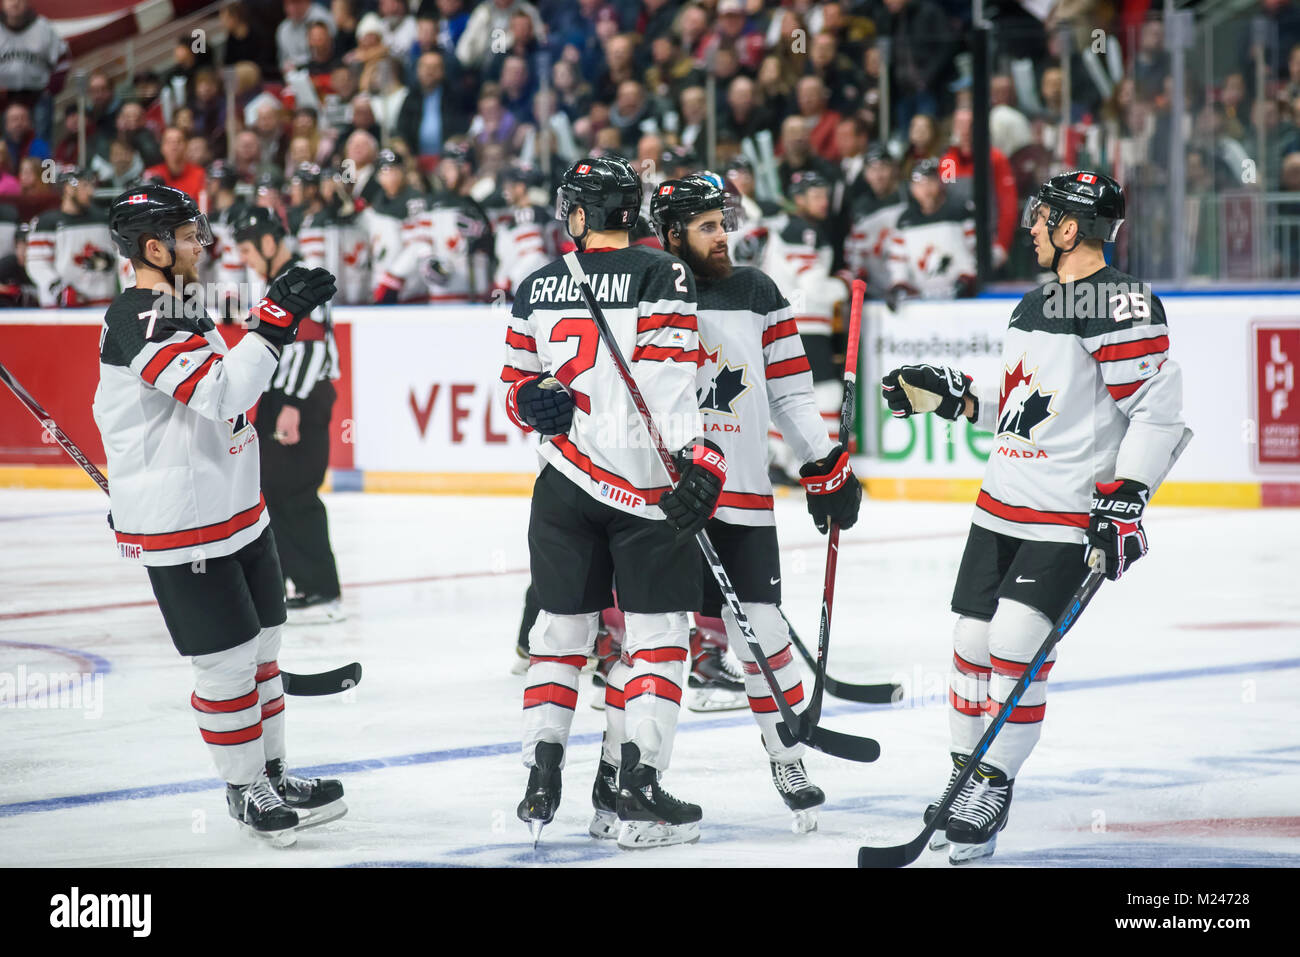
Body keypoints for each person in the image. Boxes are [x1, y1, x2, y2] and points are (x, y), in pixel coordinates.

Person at [879, 171, 1187, 864]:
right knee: (969, 638)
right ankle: (962, 773)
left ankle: (992, 782)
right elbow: (1027, 406)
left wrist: (1127, 495)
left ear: (1072, 228)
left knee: (1016, 639)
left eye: (1044, 215)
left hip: (1063, 513)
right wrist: (955, 398)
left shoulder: (1123, 301)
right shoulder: (1033, 302)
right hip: (1000, 505)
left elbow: (1156, 410)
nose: (1031, 225)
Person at [94, 184, 343, 845]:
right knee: (228, 661)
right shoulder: (138, 317)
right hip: (186, 525)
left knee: (263, 647)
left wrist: (272, 324)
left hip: (236, 508)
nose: (199, 243)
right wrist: (273, 321)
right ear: (153, 247)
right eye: (185, 233)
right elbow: (217, 393)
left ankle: (273, 770)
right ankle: (245, 787)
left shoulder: (179, 305)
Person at [501, 155, 722, 849]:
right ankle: (639, 788)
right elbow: (669, 384)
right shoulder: (665, 274)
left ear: (578, 213)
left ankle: (542, 775)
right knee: (657, 640)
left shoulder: (537, 285)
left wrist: (526, 402)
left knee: (559, 637)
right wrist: (701, 460)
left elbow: (517, 388)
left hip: (564, 486)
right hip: (648, 492)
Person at [649, 172, 862, 829]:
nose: (724, 236)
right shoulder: (647, 286)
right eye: (708, 225)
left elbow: (794, 391)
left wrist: (821, 463)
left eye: (725, 223)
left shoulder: (756, 290)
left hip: (742, 497)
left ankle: (788, 754)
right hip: (667, 502)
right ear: (673, 230)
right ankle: (645, 775)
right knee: (659, 642)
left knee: (764, 634)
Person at [233, 205, 345, 624]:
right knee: (273, 492)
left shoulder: (298, 280)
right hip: (281, 397)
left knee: (295, 494)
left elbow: (312, 344)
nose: (242, 257)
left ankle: (320, 589)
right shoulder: (274, 282)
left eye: (246, 248)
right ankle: (293, 582)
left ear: (267, 242)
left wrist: (292, 406)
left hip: (299, 399)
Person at [886, 157, 976, 305]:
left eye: (930, 181)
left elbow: (974, 252)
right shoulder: (904, 221)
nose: (925, 188)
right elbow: (898, 264)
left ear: (940, 182)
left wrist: (967, 280)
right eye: (919, 183)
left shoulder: (959, 213)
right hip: (921, 303)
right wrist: (899, 285)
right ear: (911, 188)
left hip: (962, 300)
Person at [26, 168, 118, 308]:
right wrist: (59, 289)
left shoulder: (104, 219)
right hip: (60, 309)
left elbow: (118, 256)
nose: (90, 192)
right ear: (68, 189)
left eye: (91, 186)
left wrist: (110, 260)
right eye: (85, 186)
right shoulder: (46, 223)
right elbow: (37, 265)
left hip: (102, 305)